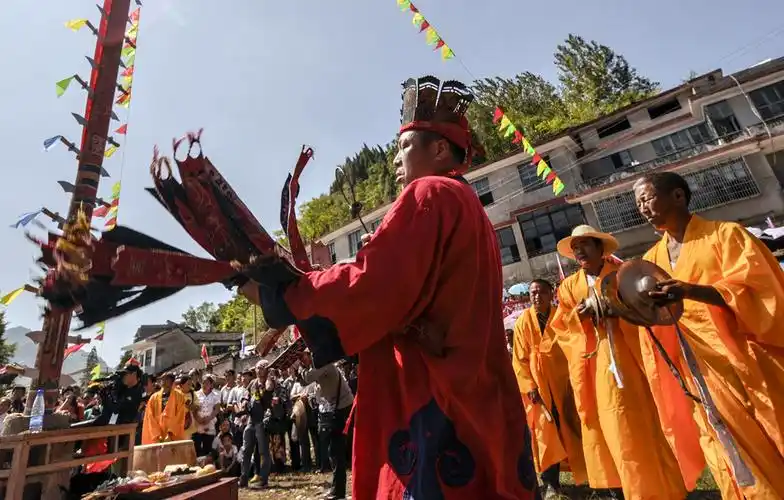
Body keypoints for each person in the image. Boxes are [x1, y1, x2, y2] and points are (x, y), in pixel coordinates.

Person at [239, 76, 535, 499]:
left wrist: (288, 294)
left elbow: (372, 284)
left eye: (405, 146)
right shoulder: (470, 207)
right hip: (475, 390)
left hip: (433, 391)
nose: (395, 159)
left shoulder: (429, 192)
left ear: (439, 149)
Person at [632, 171, 784, 497]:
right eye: (638, 203)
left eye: (647, 198)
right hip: (699, 368)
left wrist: (692, 291)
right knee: (725, 442)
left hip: (745, 360)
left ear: (678, 196)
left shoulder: (726, 235)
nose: (642, 208)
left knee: (772, 430)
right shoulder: (650, 260)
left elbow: (759, 291)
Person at [550, 225, 687, 499]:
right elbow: (562, 327)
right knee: (614, 425)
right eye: (575, 247)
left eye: (585, 244)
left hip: (630, 355)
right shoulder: (569, 287)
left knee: (643, 422)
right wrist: (580, 317)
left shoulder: (622, 274)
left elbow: (645, 311)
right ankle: (628, 489)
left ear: (600, 248)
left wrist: (615, 309)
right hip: (596, 361)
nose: (579, 251)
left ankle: (663, 487)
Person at [512, 279, 587, 498]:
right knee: (545, 436)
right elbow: (519, 359)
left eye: (541, 292)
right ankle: (551, 483)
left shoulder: (561, 317)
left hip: (564, 384)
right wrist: (529, 385)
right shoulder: (523, 322)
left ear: (550, 294)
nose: (537, 296)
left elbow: (575, 343)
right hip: (539, 389)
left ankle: (588, 474)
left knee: (574, 428)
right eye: (533, 293)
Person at [301, 352, 353, 499]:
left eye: (307, 356)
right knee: (334, 451)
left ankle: (339, 491)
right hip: (338, 409)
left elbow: (307, 378)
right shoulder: (322, 367)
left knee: (336, 451)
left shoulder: (325, 366)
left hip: (342, 409)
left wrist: (300, 366)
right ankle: (337, 488)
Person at [238, 360, 274, 488]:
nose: (258, 370)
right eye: (257, 368)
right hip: (251, 420)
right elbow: (246, 395)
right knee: (246, 449)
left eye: (261, 368)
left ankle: (263, 479)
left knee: (263, 451)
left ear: (267, 369)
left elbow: (269, 389)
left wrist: (269, 377)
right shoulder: (253, 382)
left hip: (263, 420)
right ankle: (243, 478)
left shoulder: (270, 382)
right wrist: (244, 402)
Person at [142, 372, 187, 444]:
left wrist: (170, 433)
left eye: (166, 378)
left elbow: (180, 417)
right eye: (162, 378)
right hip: (157, 436)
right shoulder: (153, 397)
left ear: (171, 381)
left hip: (173, 435)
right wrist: (157, 434)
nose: (162, 380)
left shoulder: (179, 396)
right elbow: (150, 416)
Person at [193, 374, 222, 457]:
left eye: (207, 383)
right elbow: (193, 409)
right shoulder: (196, 394)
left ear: (211, 385)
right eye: (203, 383)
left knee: (208, 448)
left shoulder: (215, 395)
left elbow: (216, 409)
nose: (204, 385)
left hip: (209, 423)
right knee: (197, 448)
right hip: (197, 424)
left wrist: (209, 418)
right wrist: (198, 419)